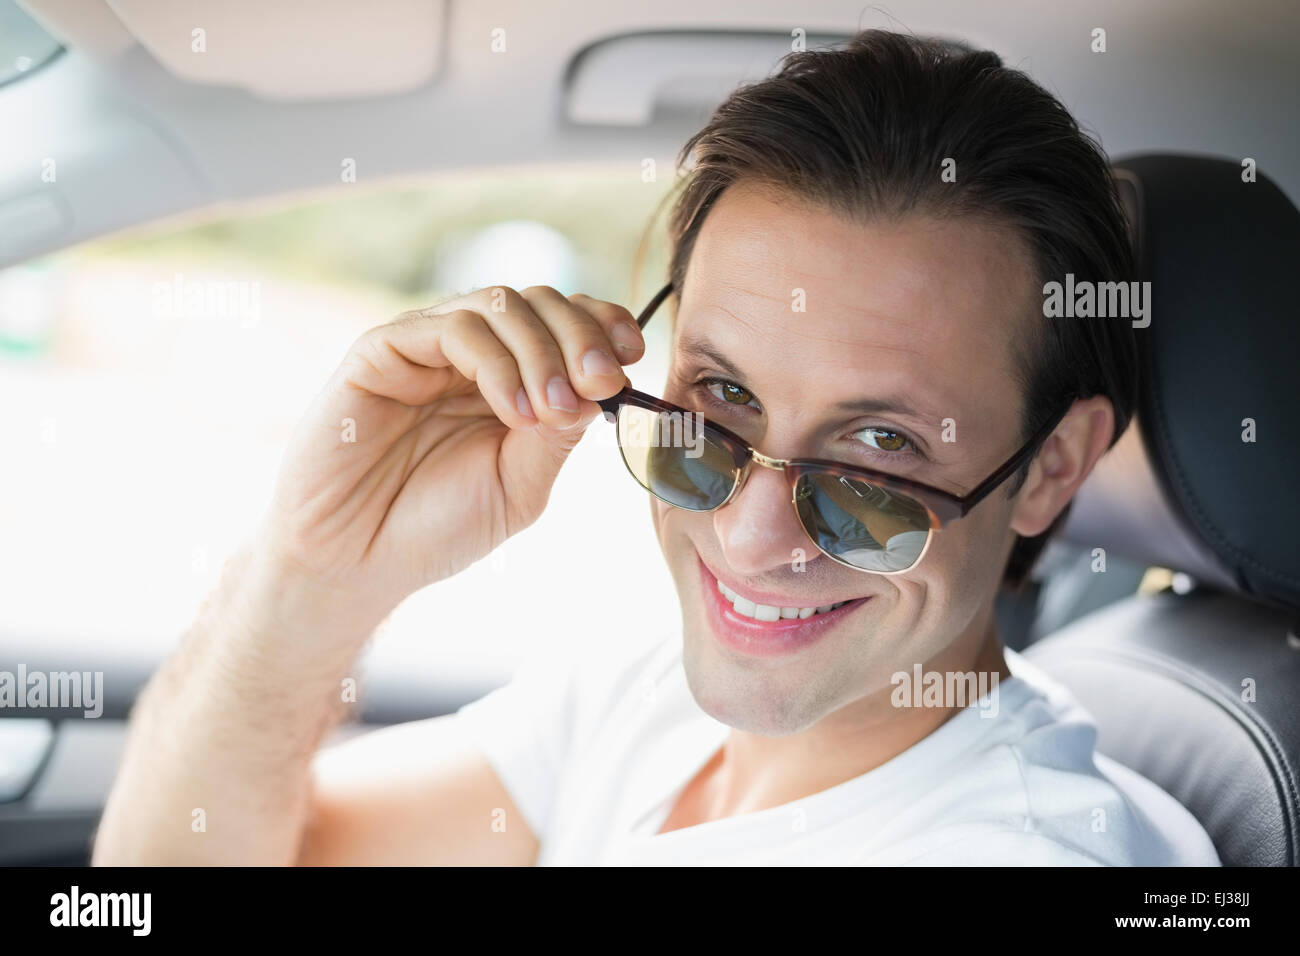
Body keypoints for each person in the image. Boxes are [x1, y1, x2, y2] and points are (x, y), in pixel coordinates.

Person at [93, 30, 1220, 865]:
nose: (747, 530)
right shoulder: (649, 697)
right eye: (721, 398)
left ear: (1052, 468)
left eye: (879, 445)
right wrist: (312, 575)